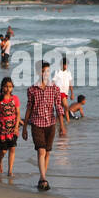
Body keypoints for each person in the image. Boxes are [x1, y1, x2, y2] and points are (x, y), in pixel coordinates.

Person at [23, 61, 65, 191]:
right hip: (36, 123)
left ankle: (43, 178)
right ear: (38, 72)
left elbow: (58, 107)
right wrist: (24, 127)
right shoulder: (32, 89)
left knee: (47, 152)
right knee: (41, 150)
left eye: (47, 71)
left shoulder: (54, 89)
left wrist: (62, 127)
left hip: (51, 124)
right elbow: (29, 108)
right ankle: (43, 178)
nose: (45, 73)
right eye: (43, 71)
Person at [0, 77, 21, 175]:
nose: (8, 89)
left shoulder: (15, 99)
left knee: (12, 148)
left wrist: (16, 127)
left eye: (10, 87)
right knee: (3, 151)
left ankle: (10, 171)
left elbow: (18, 114)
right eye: (6, 87)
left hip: (13, 128)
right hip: (2, 128)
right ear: (2, 87)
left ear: (12, 88)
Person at [53, 55, 73, 132]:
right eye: (65, 64)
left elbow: (70, 83)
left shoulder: (68, 72)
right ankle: (67, 120)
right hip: (59, 91)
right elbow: (53, 81)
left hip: (66, 92)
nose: (66, 66)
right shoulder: (57, 72)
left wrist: (72, 93)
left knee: (60, 108)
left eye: (67, 64)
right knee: (66, 106)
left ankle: (58, 122)